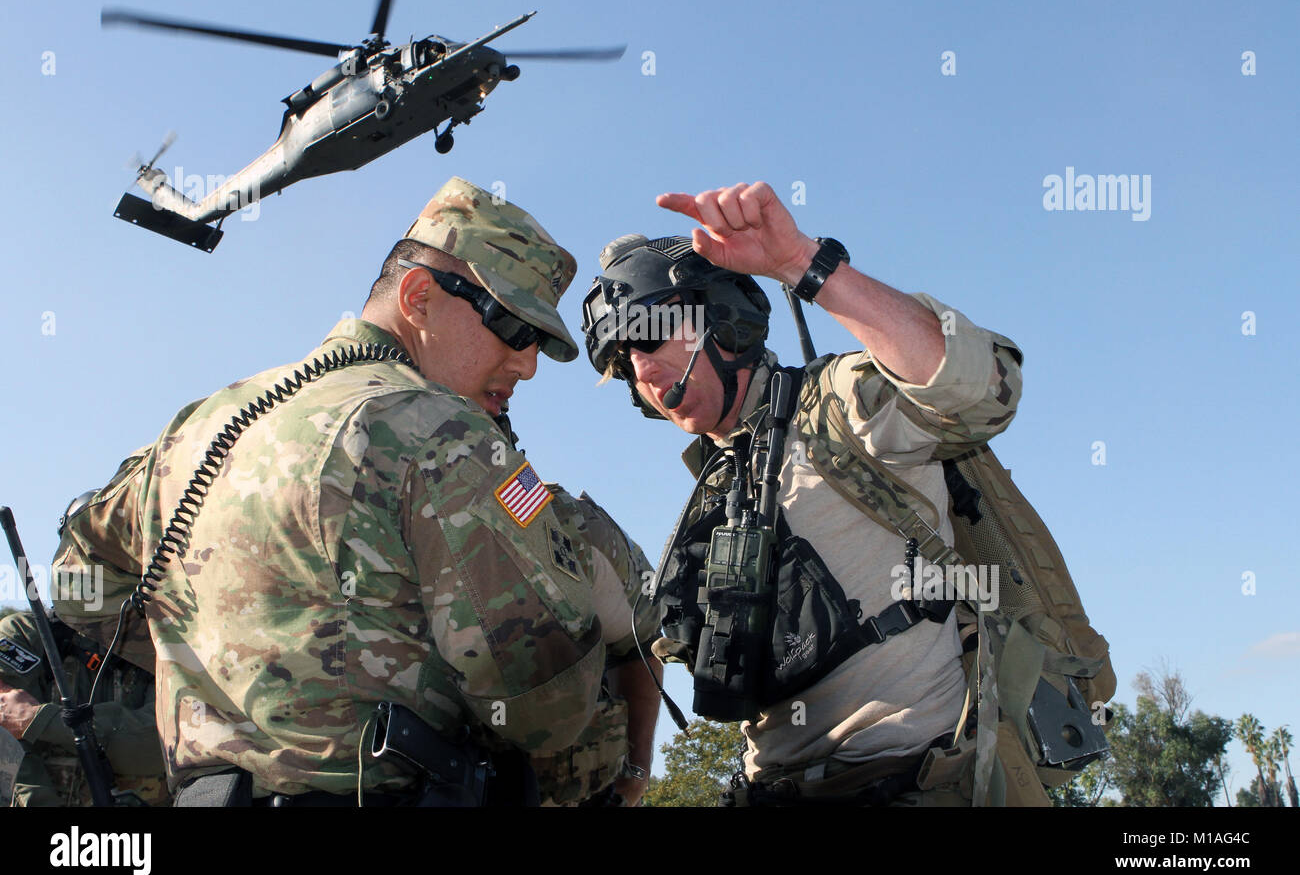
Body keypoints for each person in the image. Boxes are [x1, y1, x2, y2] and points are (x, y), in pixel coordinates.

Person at [54, 176, 660, 807]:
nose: (527, 363)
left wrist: (223, 657)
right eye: (509, 326)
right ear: (419, 295)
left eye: (538, 341)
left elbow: (77, 583)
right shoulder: (439, 430)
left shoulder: (195, 428)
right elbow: (544, 708)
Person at [581, 181, 1025, 806]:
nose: (643, 370)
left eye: (650, 338)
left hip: (905, 780)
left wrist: (800, 264)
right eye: (624, 361)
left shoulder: (837, 407)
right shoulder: (714, 487)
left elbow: (978, 390)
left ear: (723, 318)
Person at [0, 609, 168, 806]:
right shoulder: (26, 632)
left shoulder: (169, 642)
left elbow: (159, 746)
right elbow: (6, 724)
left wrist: (41, 720)